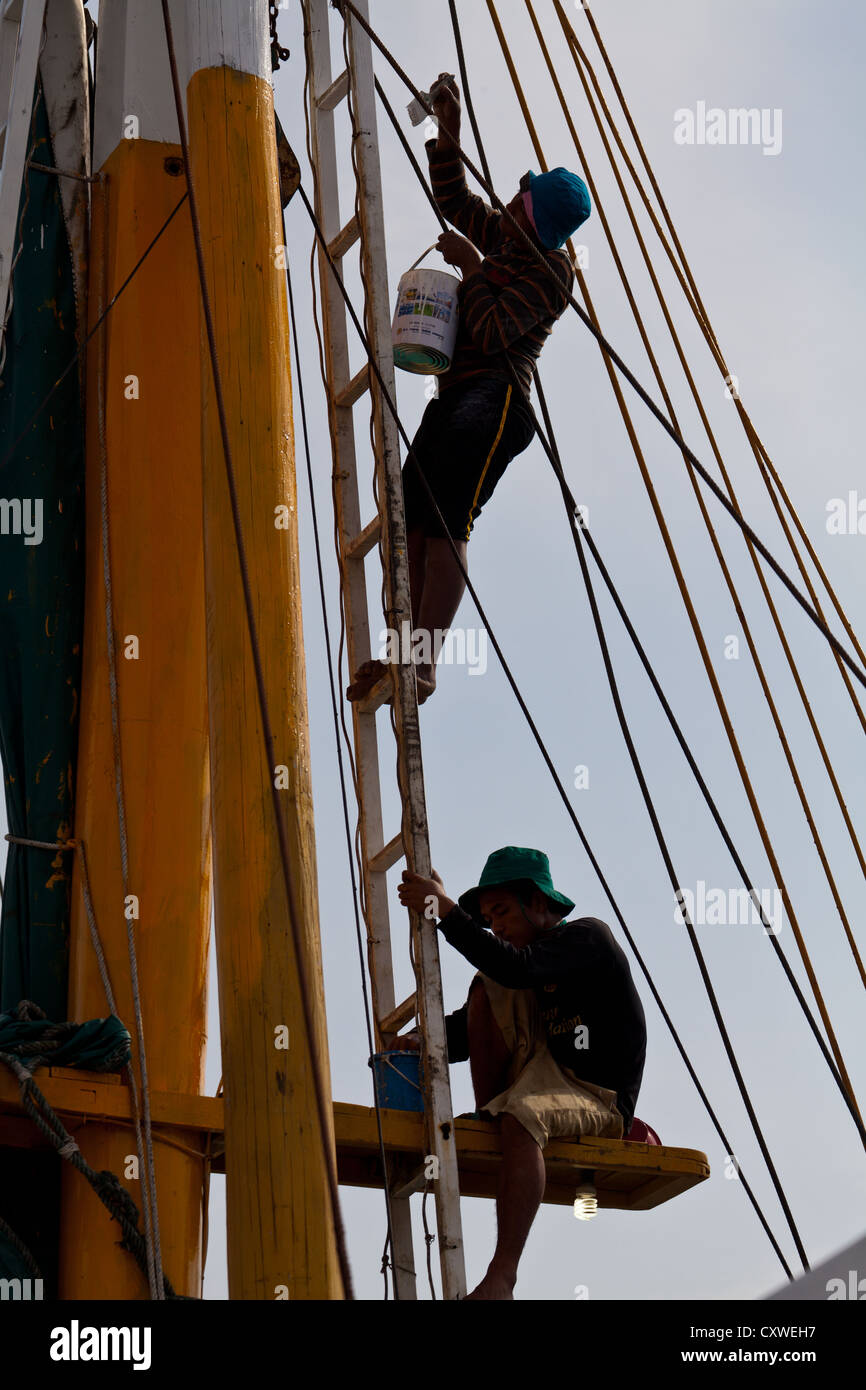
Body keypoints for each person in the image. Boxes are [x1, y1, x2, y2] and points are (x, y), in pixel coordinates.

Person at [347, 77, 591, 705]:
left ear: (530, 214)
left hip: (496, 401)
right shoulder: (508, 239)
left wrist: (474, 268)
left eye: (519, 199)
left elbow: (490, 326)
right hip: (456, 397)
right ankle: (405, 655)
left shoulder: (552, 274)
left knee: (450, 515)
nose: (508, 201)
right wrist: (449, 130)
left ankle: (424, 665)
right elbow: (456, 200)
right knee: (415, 522)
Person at [394, 846, 647, 1301]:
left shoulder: (588, 938)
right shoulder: (528, 969)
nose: (497, 924)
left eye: (502, 911)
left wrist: (446, 910)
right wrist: (419, 1039)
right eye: (488, 918)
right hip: (544, 1074)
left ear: (538, 902)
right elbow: (478, 1018)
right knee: (487, 984)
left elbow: (511, 967)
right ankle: (492, 1109)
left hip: (598, 1095)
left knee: (523, 1114)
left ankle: (502, 1277)